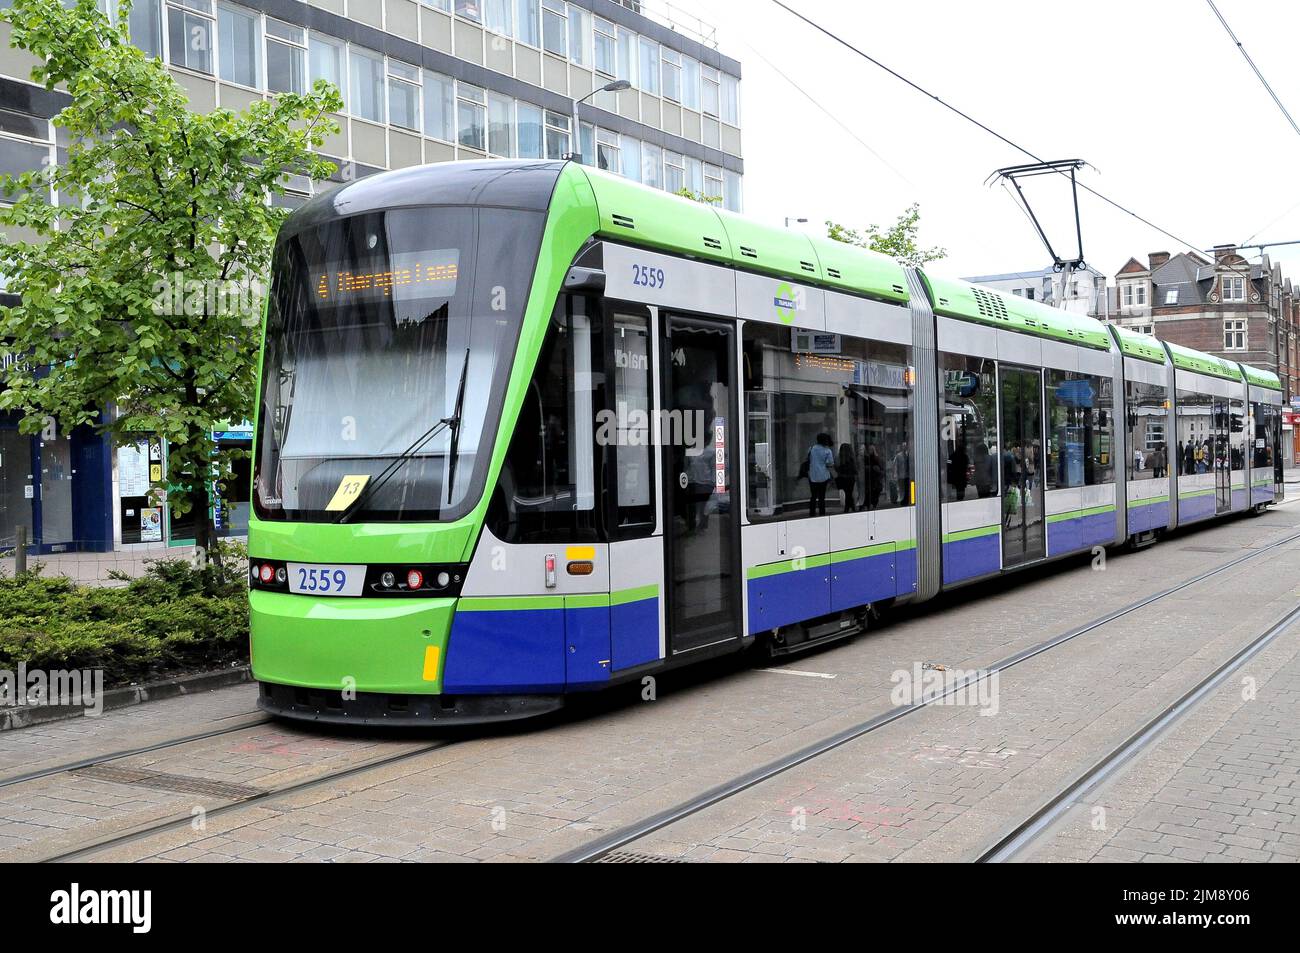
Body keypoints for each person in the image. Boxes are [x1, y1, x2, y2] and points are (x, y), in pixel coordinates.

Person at [806, 433, 836, 516]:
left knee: (813, 496)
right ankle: (822, 514)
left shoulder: (811, 448)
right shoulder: (827, 451)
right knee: (821, 497)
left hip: (812, 476)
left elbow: (808, 459)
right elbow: (830, 463)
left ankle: (812, 513)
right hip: (823, 476)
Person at [836, 443, 858, 512]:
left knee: (847, 493)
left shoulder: (840, 458)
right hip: (851, 478)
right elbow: (855, 469)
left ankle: (848, 508)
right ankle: (850, 507)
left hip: (843, 478)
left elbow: (837, 468)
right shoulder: (852, 458)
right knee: (849, 493)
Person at [864, 444, 886, 510]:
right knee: (869, 493)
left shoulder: (877, 458)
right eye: (869, 449)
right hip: (869, 479)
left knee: (875, 493)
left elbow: (881, 469)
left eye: (871, 449)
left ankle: (873, 505)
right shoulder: (866, 458)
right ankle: (869, 505)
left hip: (876, 479)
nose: (870, 451)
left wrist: (877, 470)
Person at [890, 441, 911, 507]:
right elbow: (895, 465)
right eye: (903, 446)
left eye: (905, 446)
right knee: (902, 489)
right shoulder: (898, 456)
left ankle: (907, 500)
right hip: (901, 476)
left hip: (908, 475)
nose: (904, 447)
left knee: (907, 488)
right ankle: (902, 501)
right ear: (902, 447)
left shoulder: (909, 454)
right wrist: (895, 475)